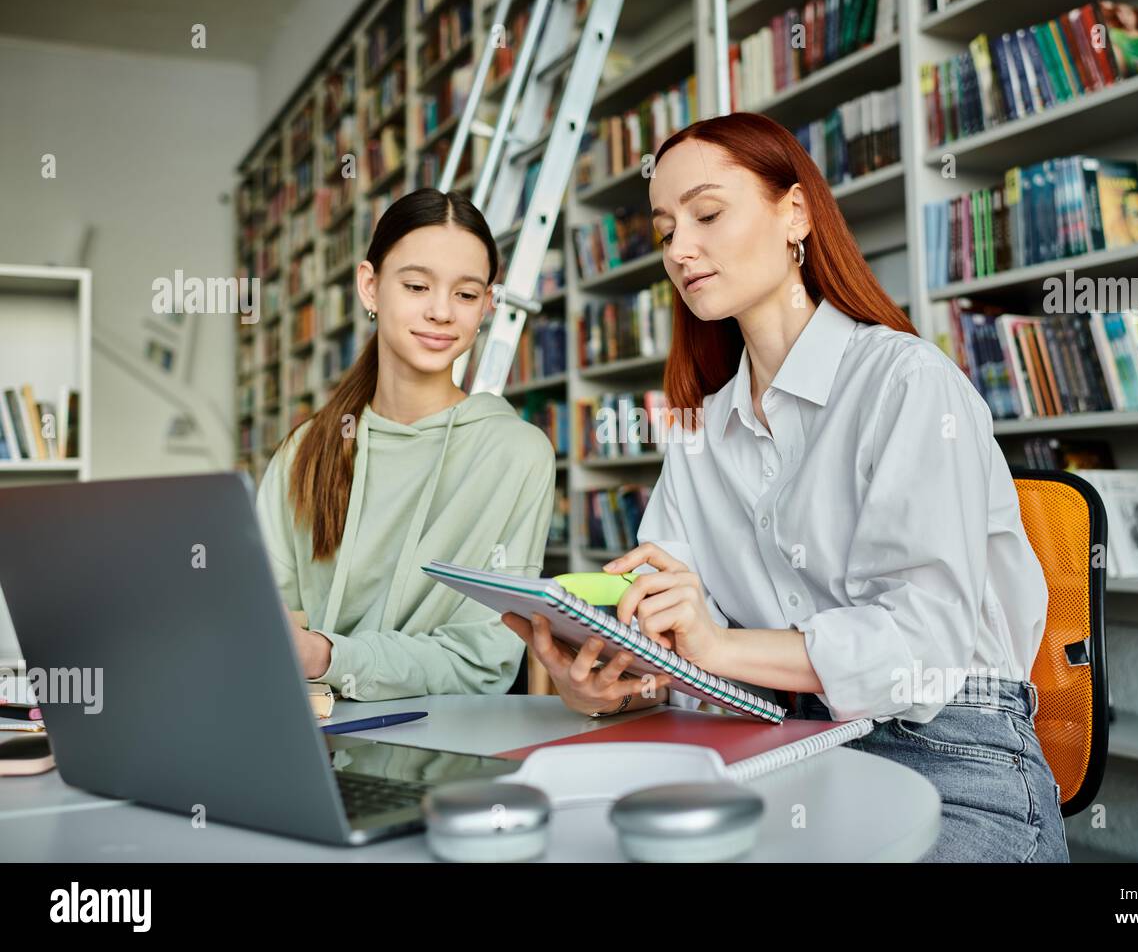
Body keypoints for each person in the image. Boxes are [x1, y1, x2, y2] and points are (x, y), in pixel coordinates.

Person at [504, 113, 1067, 862]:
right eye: (667, 229)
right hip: (778, 745)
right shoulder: (700, 433)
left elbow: (920, 646)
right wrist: (618, 679)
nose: (680, 249)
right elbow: (682, 642)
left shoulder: (906, 383)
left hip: (953, 757)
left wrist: (719, 644)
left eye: (707, 214)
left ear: (794, 213)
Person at [257, 188, 555, 702]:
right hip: (308, 735)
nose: (441, 312)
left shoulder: (516, 454)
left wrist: (328, 656)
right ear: (370, 287)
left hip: (445, 749)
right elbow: (263, 622)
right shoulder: (305, 451)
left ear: (487, 305)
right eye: (417, 285)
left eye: (465, 295)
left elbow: (481, 663)